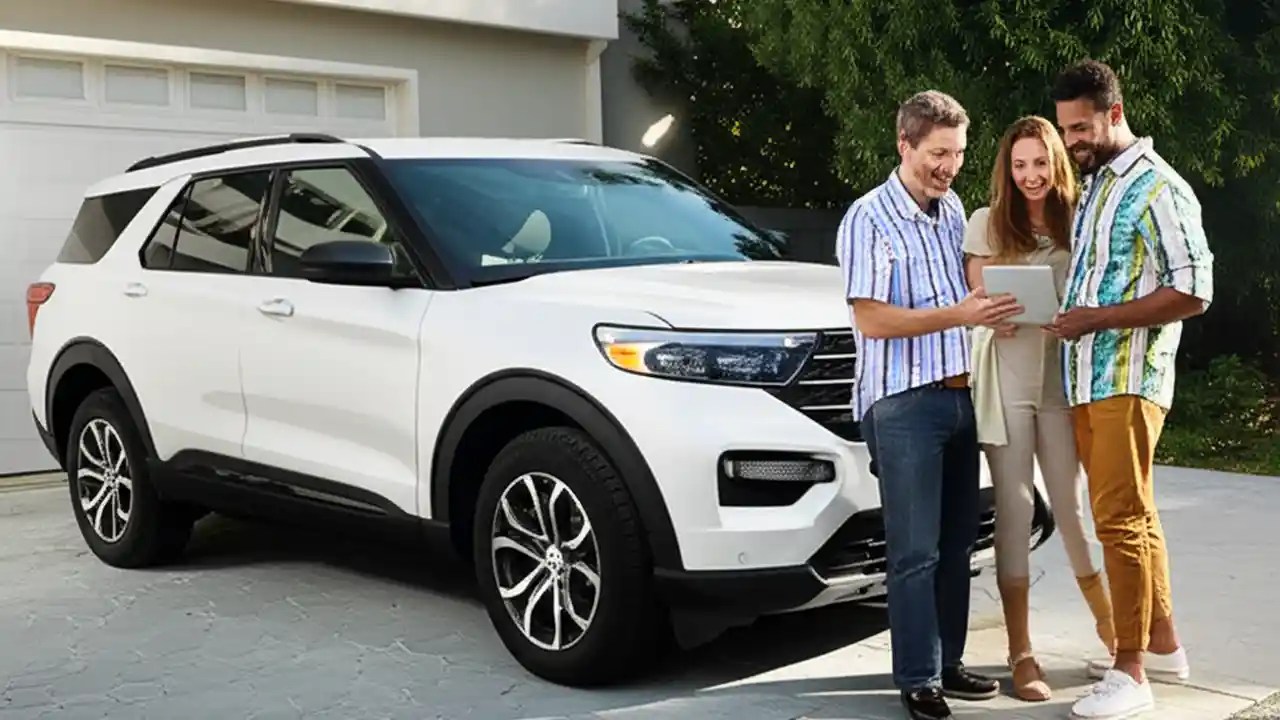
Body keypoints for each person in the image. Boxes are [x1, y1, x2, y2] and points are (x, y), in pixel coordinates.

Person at [835, 89, 1023, 720]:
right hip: (902, 404)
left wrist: (995, 314)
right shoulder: (869, 218)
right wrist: (960, 315)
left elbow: (970, 297)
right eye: (938, 153)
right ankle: (917, 678)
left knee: (955, 544)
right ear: (904, 146)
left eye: (959, 154)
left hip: (959, 398)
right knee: (912, 551)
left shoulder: (954, 216)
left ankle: (947, 664)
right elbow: (872, 320)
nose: (950, 166)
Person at [1046, 59, 1213, 719]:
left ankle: (1130, 672)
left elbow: (1193, 289)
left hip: (1127, 379)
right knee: (1132, 515)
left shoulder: (1155, 187)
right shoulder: (1097, 185)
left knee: (1121, 519)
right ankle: (1161, 644)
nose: (1071, 142)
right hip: (1087, 376)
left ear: (1114, 114)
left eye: (1081, 127)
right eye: (1065, 130)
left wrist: (1097, 319)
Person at [961, 115, 1117, 703]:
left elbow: (1095, 293)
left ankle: (1113, 634)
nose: (1030, 176)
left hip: (1057, 378)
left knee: (1071, 508)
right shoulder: (985, 223)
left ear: (1055, 164)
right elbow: (980, 299)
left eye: (1039, 164)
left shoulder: (1079, 222)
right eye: (1019, 165)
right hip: (1005, 379)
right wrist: (994, 312)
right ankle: (1021, 652)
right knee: (1016, 506)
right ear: (1007, 169)